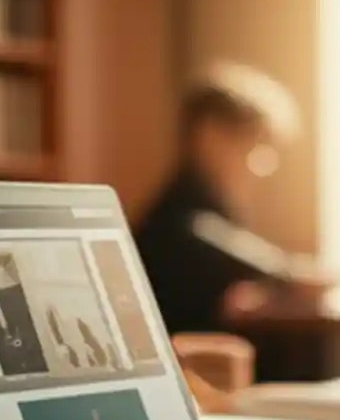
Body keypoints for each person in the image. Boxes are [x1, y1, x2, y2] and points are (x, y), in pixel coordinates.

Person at [135, 62, 320, 336]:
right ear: (210, 135)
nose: (262, 167)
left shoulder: (200, 215)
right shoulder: (187, 225)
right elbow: (289, 274)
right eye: (255, 145)